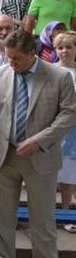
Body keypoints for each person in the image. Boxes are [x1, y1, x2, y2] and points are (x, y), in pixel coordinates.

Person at [0, 29, 76, 258]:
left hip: (42, 157)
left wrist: (39, 140)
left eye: (15, 58)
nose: (10, 63)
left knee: (44, 220)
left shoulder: (59, 76)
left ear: (31, 54)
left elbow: (68, 115)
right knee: (2, 217)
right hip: (7, 155)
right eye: (7, 57)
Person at [53, 31, 76, 228]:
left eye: (69, 47)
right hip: (56, 129)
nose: (65, 51)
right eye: (60, 47)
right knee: (60, 173)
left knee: (72, 173)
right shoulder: (51, 71)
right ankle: (62, 212)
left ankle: (70, 214)